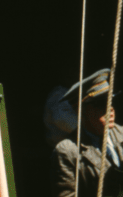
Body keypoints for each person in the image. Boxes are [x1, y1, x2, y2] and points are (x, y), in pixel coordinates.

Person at [50, 68, 123, 197]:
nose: (110, 108)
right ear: (82, 111)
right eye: (101, 103)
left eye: (111, 101)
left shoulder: (121, 133)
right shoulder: (67, 151)